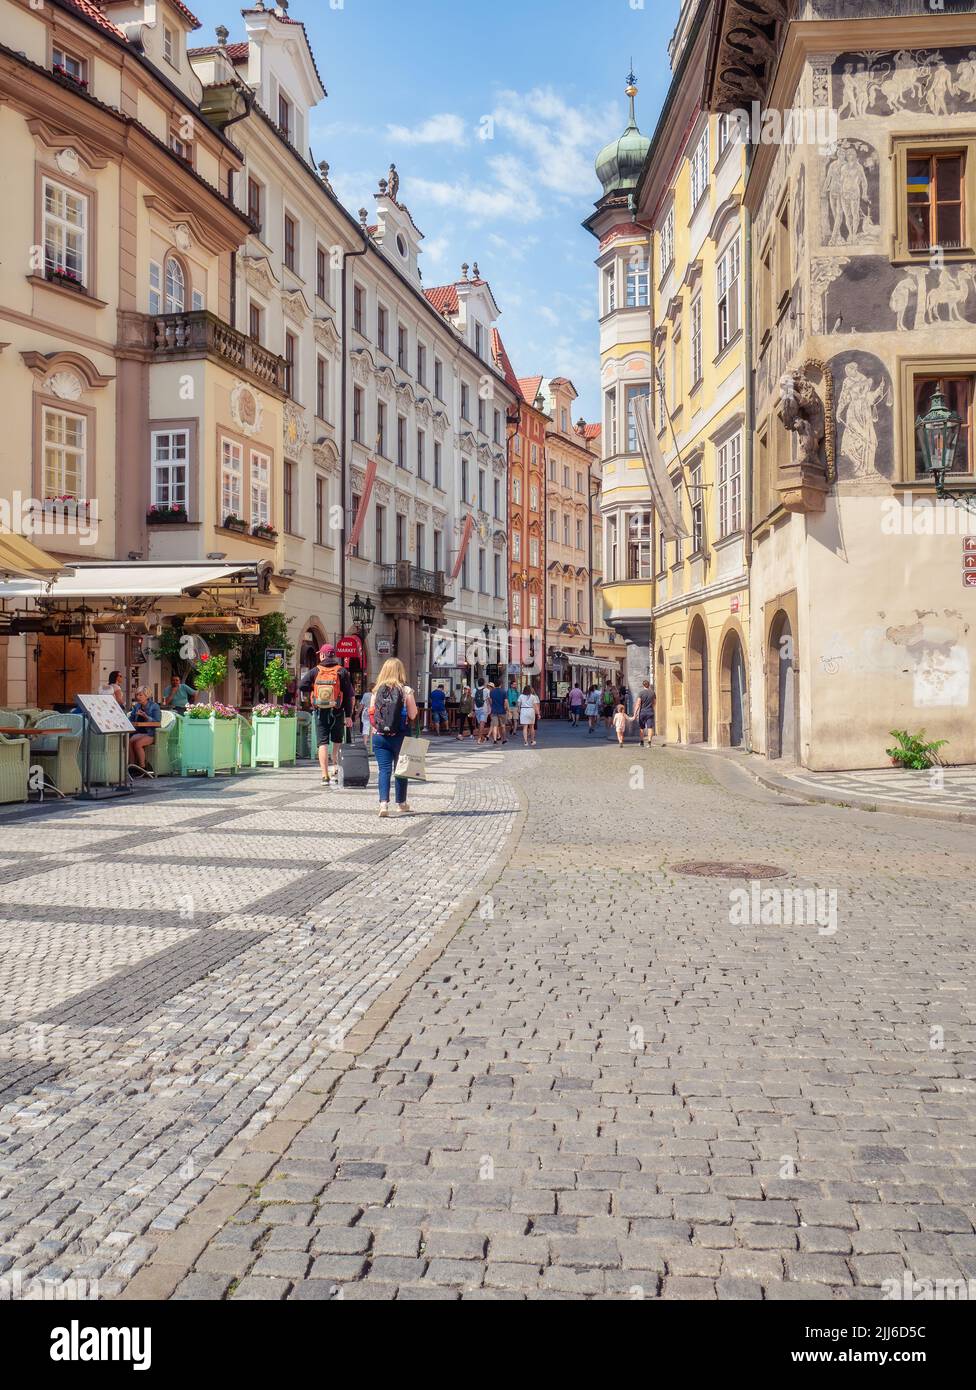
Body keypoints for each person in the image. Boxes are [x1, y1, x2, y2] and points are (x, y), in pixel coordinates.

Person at [369, 657, 419, 817]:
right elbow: (412, 714)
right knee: (401, 770)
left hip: (380, 736)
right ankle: (401, 803)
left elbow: (371, 714)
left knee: (384, 770)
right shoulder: (406, 691)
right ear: (400, 671)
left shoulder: (376, 691)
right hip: (401, 735)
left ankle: (383, 804)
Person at [300, 643, 355, 786]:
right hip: (337, 711)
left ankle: (324, 775)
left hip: (320, 712)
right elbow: (349, 696)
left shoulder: (315, 671)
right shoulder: (341, 671)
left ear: (323, 655)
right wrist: (349, 715)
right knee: (337, 741)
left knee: (322, 743)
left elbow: (301, 685)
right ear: (333, 655)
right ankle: (335, 768)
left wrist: (314, 688)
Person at [128, 687, 161, 775]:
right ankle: (133, 765)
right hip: (139, 732)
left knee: (137, 743)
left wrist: (146, 716)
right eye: (137, 695)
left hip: (151, 733)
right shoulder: (137, 706)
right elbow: (130, 719)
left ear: (147, 696)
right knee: (129, 742)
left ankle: (142, 767)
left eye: (140, 695)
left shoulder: (154, 706)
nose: (138, 697)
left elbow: (157, 722)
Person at [635, 679, 656, 749]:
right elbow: (654, 703)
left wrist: (635, 712)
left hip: (642, 712)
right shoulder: (652, 693)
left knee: (641, 728)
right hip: (650, 711)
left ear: (643, 685)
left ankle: (641, 742)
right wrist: (652, 708)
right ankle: (649, 742)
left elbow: (638, 703)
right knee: (650, 727)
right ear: (648, 685)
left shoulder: (641, 693)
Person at [473, 678, 490, 743]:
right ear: (484, 683)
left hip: (476, 708)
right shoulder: (486, 690)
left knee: (479, 724)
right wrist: (490, 707)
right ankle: (479, 738)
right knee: (482, 724)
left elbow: (473, 700)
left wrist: (473, 709)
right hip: (484, 708)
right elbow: (489, 700)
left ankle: (482, 737)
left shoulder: (474, 690)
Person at [358, 686, 373, 753]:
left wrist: (357, 714)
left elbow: (361, 705)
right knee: (374, 729)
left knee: (365, 728)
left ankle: (364, 744)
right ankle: (373, 745)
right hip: (374, 712)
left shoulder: (366, 695)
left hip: (366, 712)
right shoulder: (376, 694)